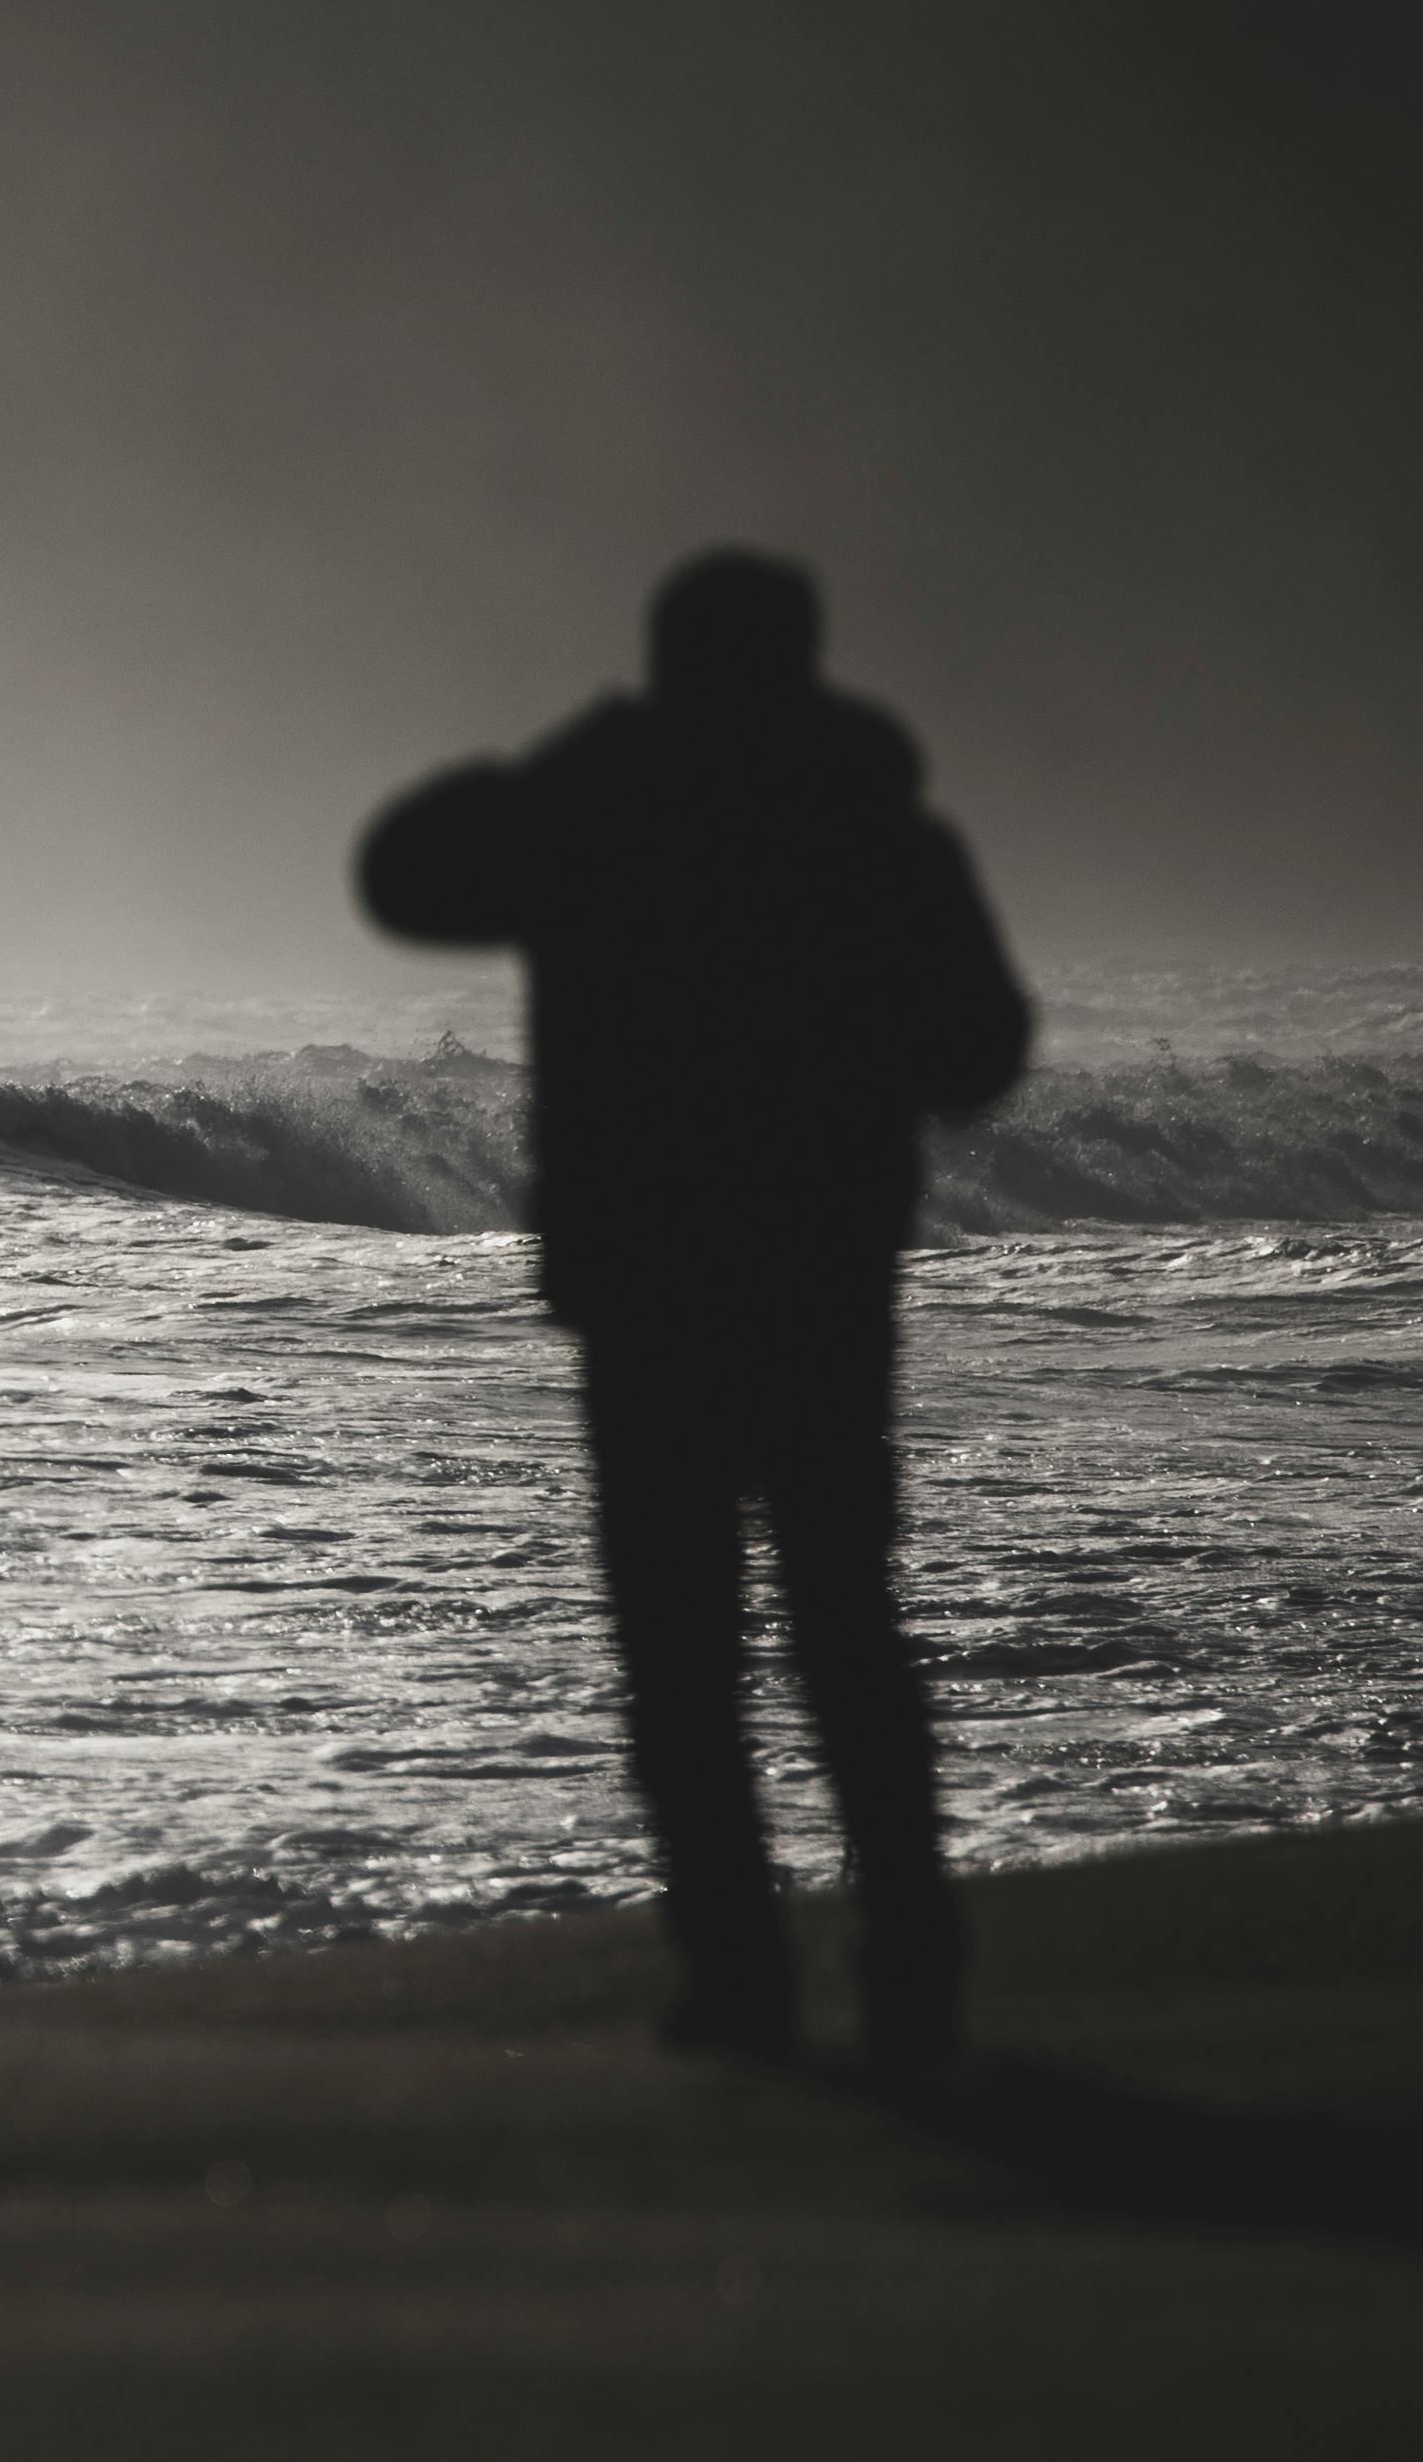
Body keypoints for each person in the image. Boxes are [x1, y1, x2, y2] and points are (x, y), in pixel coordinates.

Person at [359, 549, 1033, 2066]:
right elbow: (980, 1051)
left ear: (666, 671)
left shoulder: (605, 823)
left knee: (683, 1655)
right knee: (845, 1627)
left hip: (651, 1290)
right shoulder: (877, 828)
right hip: (818, 1283)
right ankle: (909, 1966)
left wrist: (564, 767)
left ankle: (740, 1980)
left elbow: (403, 870)